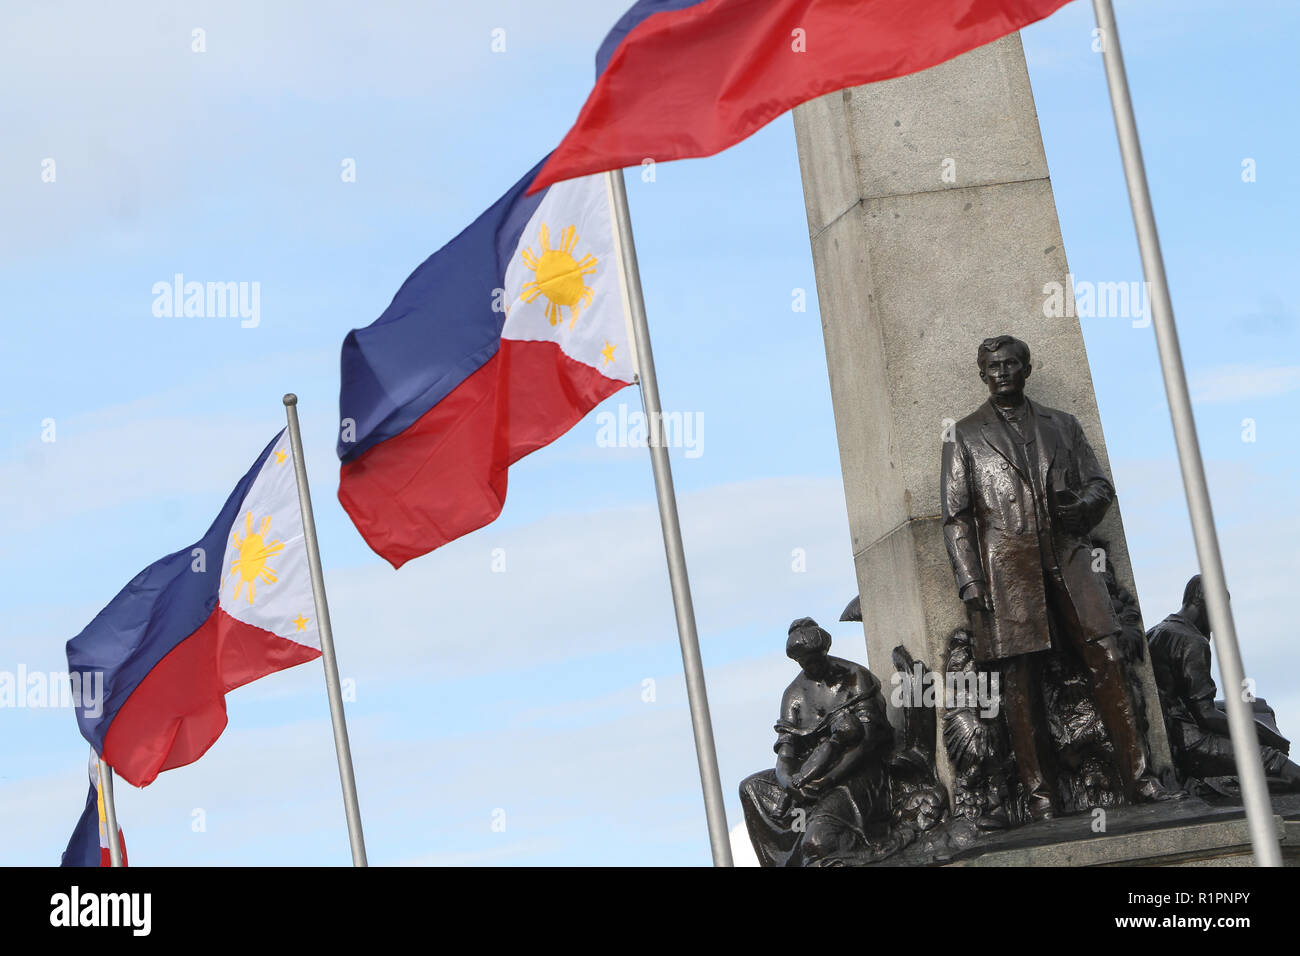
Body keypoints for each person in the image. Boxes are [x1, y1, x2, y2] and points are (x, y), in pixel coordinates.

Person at [940, 335, 1169, 819]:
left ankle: (1140, 777)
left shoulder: (1062, 425)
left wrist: (1080, 507)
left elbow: (1099, 485)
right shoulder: (963, 434)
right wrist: (971, 581)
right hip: (1006, 575)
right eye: (993, 367)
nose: (1001, 373)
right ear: (982, 375)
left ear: (1026, 368)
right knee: (1020, 682)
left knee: (1107, 656)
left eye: (1010, 365)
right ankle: (1040, 794)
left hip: (1069, 560)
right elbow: (956, 516)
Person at [739, 618, 893, 865]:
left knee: (818, 841)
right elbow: (786, 753)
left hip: (855, 769)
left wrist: (829, 779)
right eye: (804, 662)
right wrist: (787, 782)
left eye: (815, 658)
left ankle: (820, 840)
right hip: (808, 774)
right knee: (751, 788)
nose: (811, 666)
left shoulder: (855, 677)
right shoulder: (794, 694)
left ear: (825, 651)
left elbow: (868, 742)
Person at [1148, 575, 1300, 789]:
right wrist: (1260, 734)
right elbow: (1206, 714)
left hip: (1172, 723)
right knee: (1281, 764)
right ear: (1203, 601)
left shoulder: (1158, 630)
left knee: (1259, 707)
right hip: (1189, 740)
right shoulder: (1192, 641)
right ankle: (1239, 786)